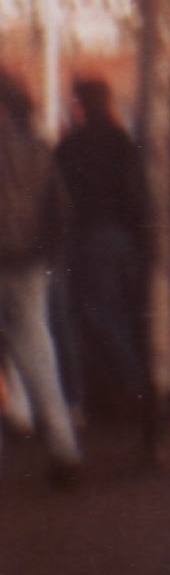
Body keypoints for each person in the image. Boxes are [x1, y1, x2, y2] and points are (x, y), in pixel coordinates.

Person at [0, 71, 83, 488]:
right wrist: (49, 256)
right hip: (29, 264)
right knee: (39, 356)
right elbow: (60, 210)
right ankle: (65, 449)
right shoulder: (37, 148)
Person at [54, 78, 146, 418]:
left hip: (92, 236)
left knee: (99, 314)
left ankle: (130, 384)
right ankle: (130, 384)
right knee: (118, 311)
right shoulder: (123, 140)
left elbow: (61, 196)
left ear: (80, 104)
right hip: (123, 234)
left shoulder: (72, 146)